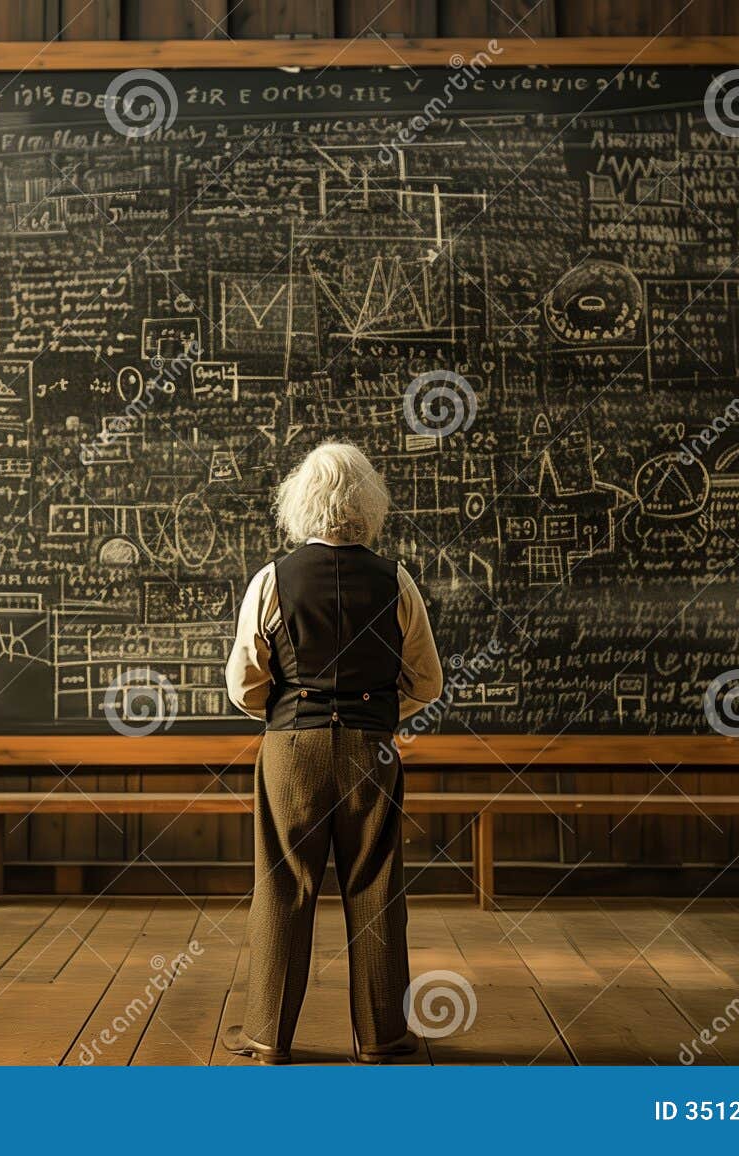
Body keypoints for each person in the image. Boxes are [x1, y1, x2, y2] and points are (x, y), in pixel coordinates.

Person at [221, 441, 445, 1064]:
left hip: (291, 748)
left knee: (284, 884)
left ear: (301, 504)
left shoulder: (272, 578)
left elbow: (245, 686)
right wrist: (373, 717)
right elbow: (426, 683)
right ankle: (382, 1037)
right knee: (374, 884)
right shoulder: (396, 580)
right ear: (367, 505)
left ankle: (267, 1036)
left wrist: (292, 712)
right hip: (371, 749)